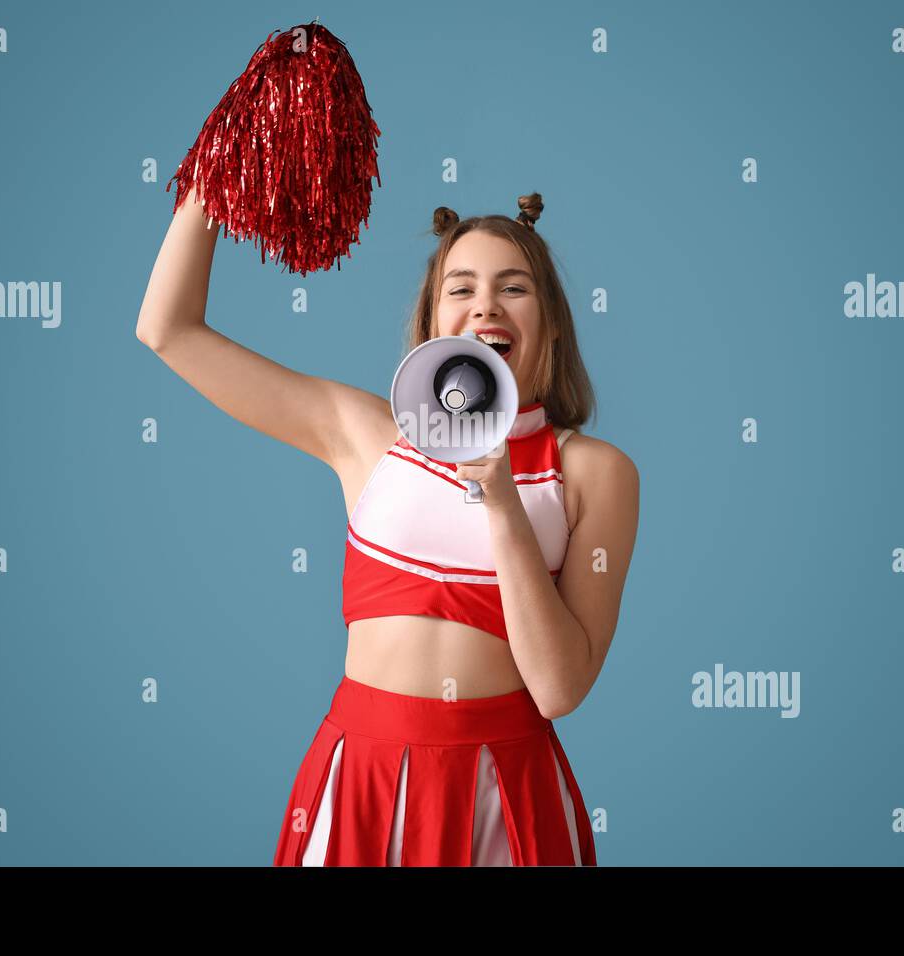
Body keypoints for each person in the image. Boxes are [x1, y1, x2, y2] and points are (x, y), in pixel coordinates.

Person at [136, 188, 639, 866]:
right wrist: (211, 176)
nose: (486, 304)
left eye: (513, 287)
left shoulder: (593, 473)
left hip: (504, 791)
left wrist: (501, 505)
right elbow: (168, 330)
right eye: (461, 288)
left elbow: (558, 689)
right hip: (358, 777)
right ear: (434, 324)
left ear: (552, 324)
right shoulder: (367, 435)